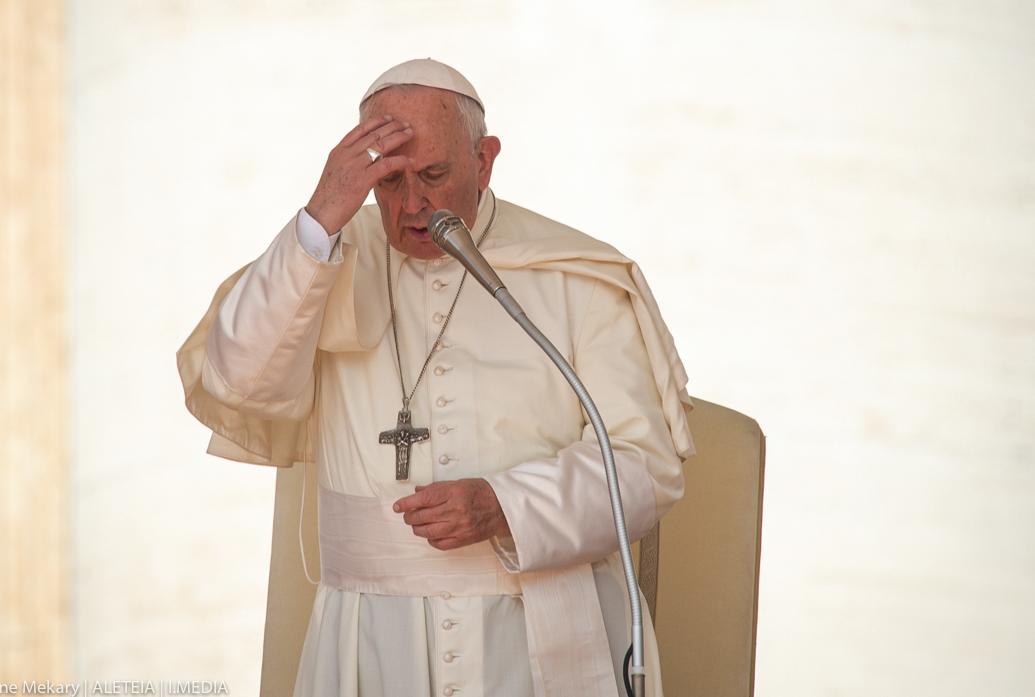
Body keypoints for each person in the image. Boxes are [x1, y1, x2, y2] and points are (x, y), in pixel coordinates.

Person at [176, 59, 695, 697]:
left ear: (484, 160)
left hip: (539, 632)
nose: (413, 206)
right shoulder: (323, 261)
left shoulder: (576, 277)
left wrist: (506, 504)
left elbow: (646, 466)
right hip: (369, 637)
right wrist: (323, 211)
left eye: (435, 175)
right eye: (388, 182)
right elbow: (238, 382)